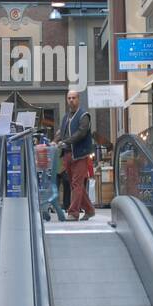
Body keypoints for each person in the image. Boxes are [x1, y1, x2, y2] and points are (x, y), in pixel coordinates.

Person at [58, 90, 96, 221]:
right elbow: (60, 132)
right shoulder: (66, 117)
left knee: (76, 183)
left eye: (73, 98)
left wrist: (65, 141)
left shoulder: (84, 115)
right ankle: (90, 210)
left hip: (80, 155)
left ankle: (73, 212)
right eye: (69, 98)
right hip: (67, 154)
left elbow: (81, 133)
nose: (71, 100)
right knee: (76, 185)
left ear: (78, 99)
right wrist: (54, 140)